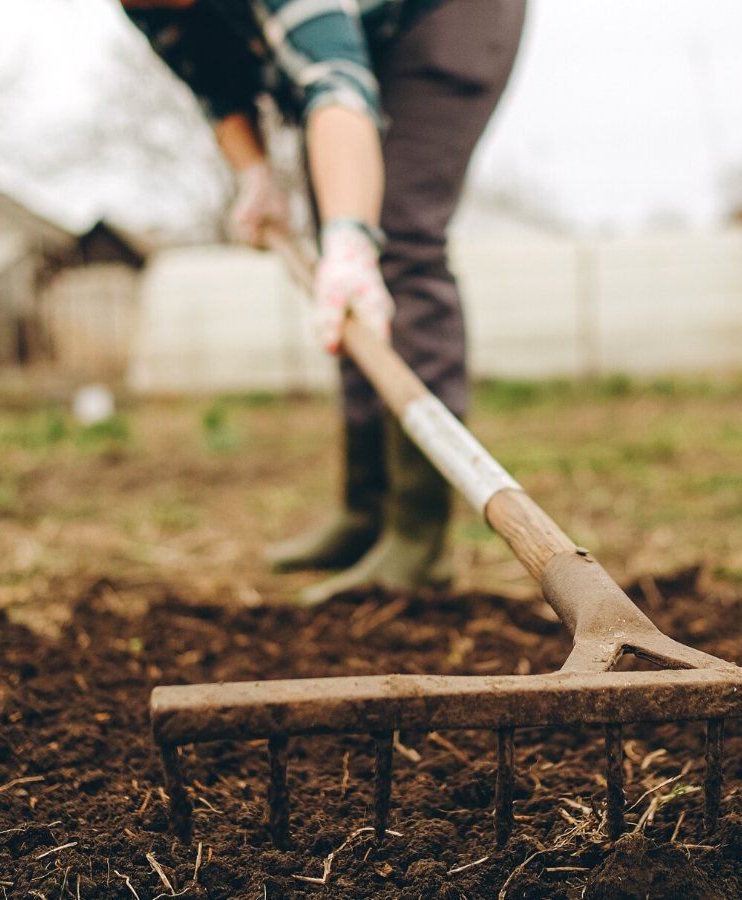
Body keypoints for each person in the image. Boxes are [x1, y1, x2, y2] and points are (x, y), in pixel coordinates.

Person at [120, 0, 525, 603]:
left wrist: (351, 242)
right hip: (362, 34)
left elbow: (335, 83)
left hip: (446, 17)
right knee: (339, 235)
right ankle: (366, 510)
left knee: (394, 235)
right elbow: (218, 87)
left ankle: (419, 536)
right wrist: (255, 174)